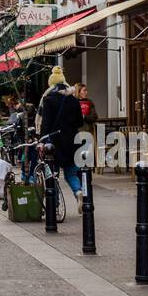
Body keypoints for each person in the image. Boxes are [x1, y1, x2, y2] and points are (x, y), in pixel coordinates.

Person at [38, 65, 85, 213]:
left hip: (54, 142)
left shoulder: (48, 100)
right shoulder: (73, 100)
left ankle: (55, 205)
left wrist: (41, 140)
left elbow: (45, 123)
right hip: (71, 141)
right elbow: (80, 122)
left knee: (53, 174)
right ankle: (78, 192)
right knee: (71, 172)